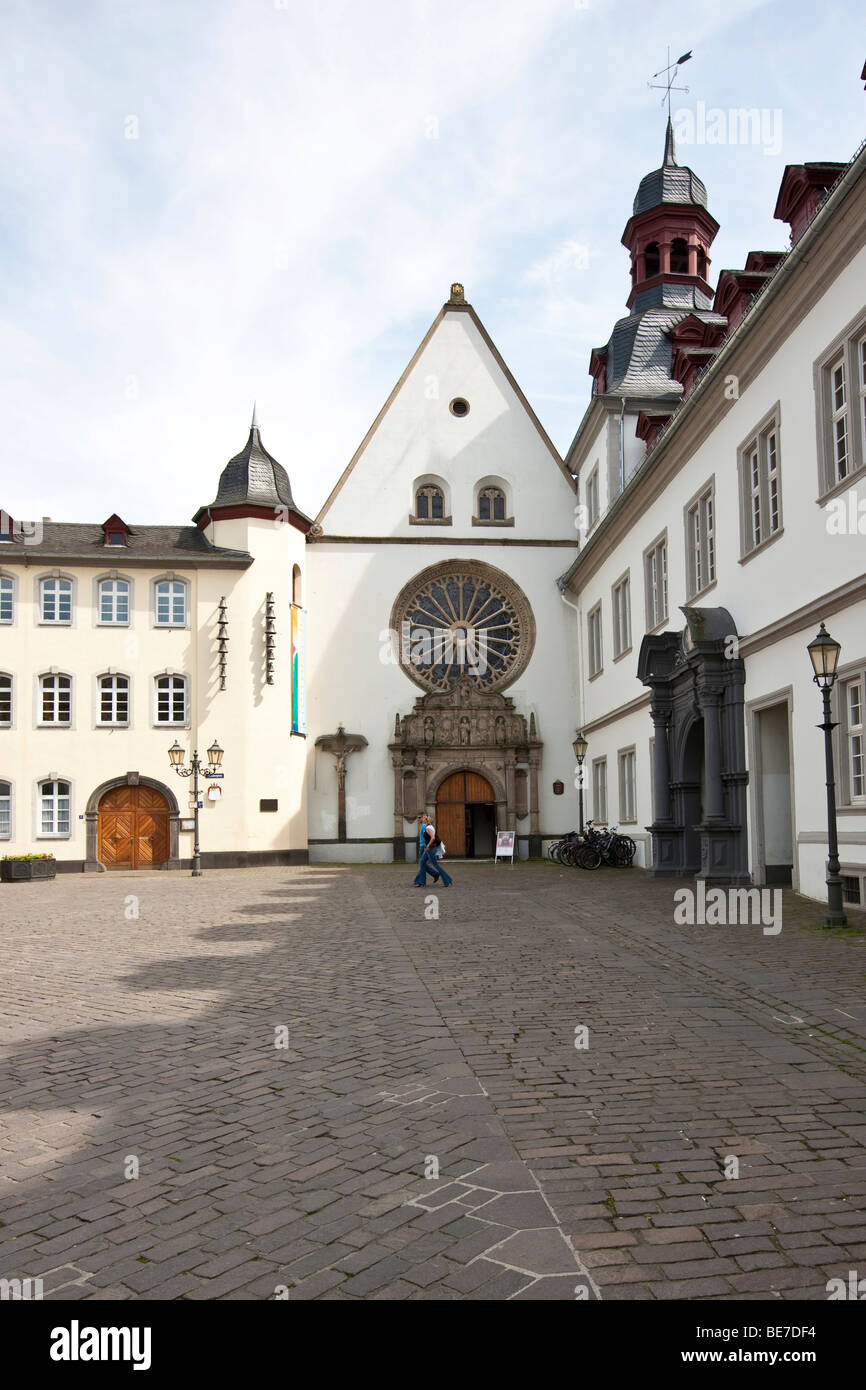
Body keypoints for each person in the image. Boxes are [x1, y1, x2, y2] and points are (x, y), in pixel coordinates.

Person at [413, 812, 452, 887]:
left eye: (421, 818)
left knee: (435, 865)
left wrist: (427, 845)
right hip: (429, 849)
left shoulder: (427, 827)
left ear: (425, 819)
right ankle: (422, 882)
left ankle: (447, 880)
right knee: (421, 862)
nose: (420, 819)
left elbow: (433, 838)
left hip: (430, 849)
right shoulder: (429, 826)